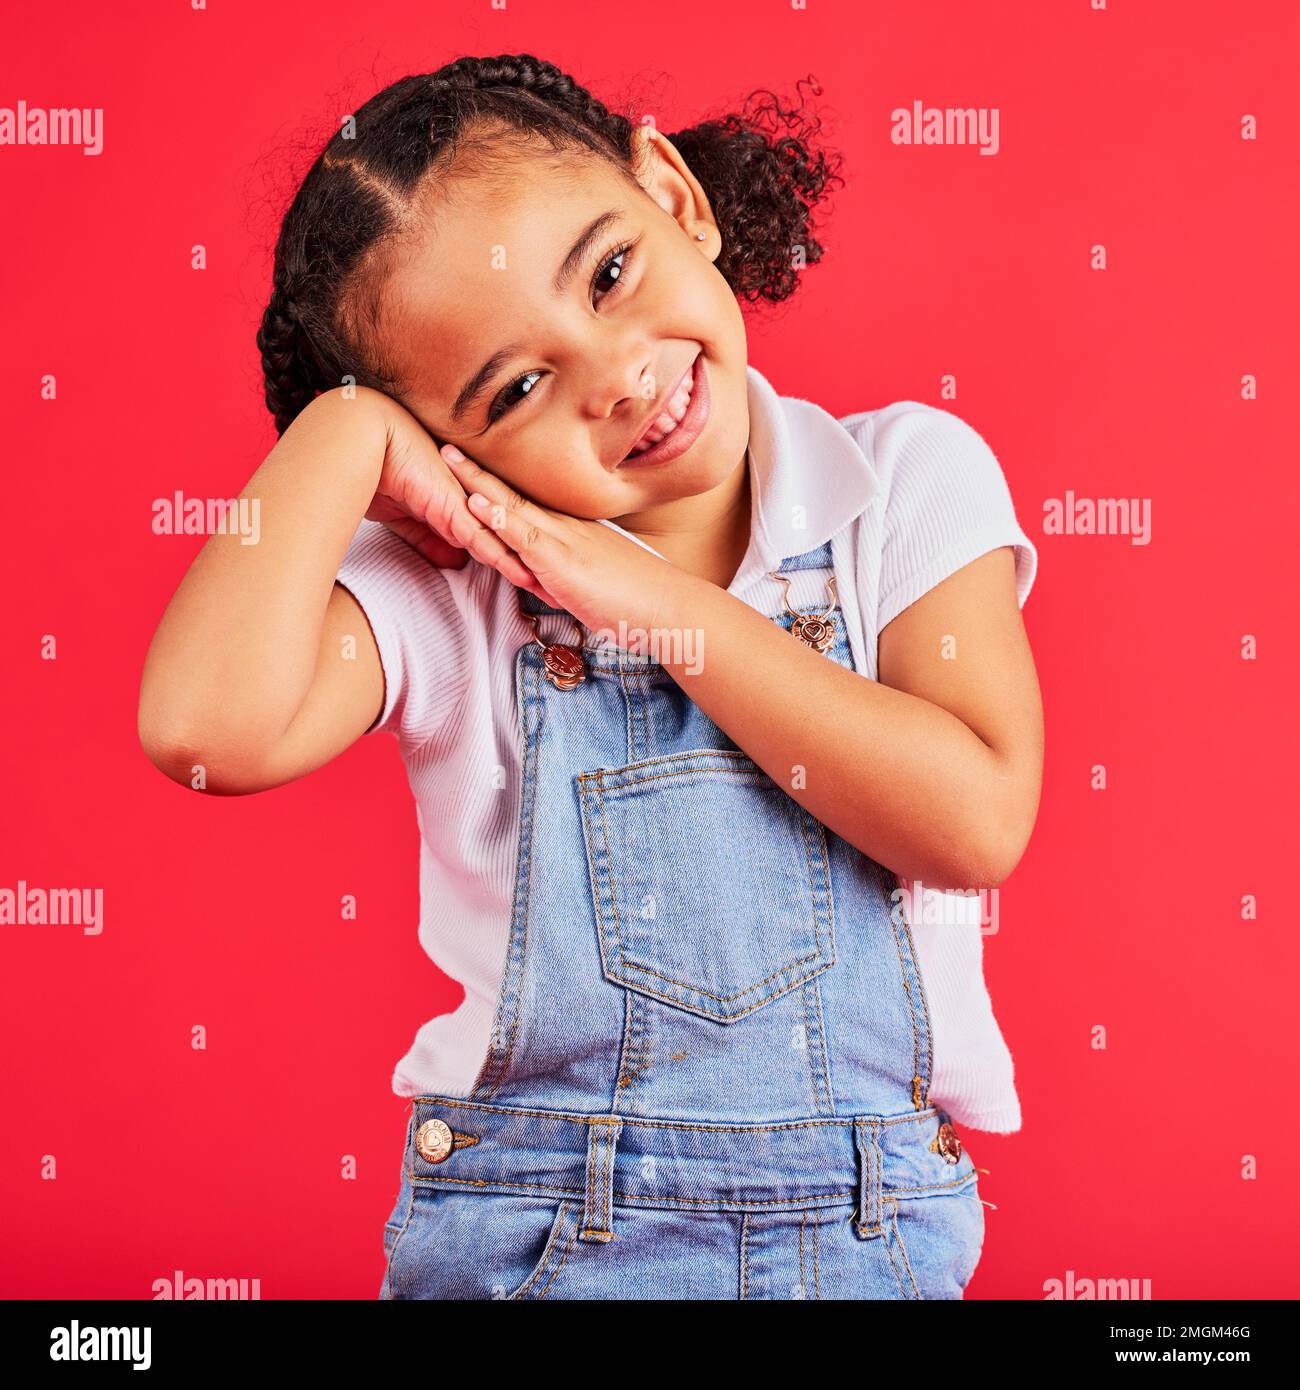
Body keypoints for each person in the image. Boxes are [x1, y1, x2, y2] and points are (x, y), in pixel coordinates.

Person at [137, 53, 1043, 1299]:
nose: (615, 375)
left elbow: (973, 821)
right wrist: (339, 434)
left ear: (672, 191)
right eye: (515, 388)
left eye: (608, 274)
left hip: (867, 1233)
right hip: (537, 1244)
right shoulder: (456, 590)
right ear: (447, 458)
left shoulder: (897, 487)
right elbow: (200, 730)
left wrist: (643, 595)